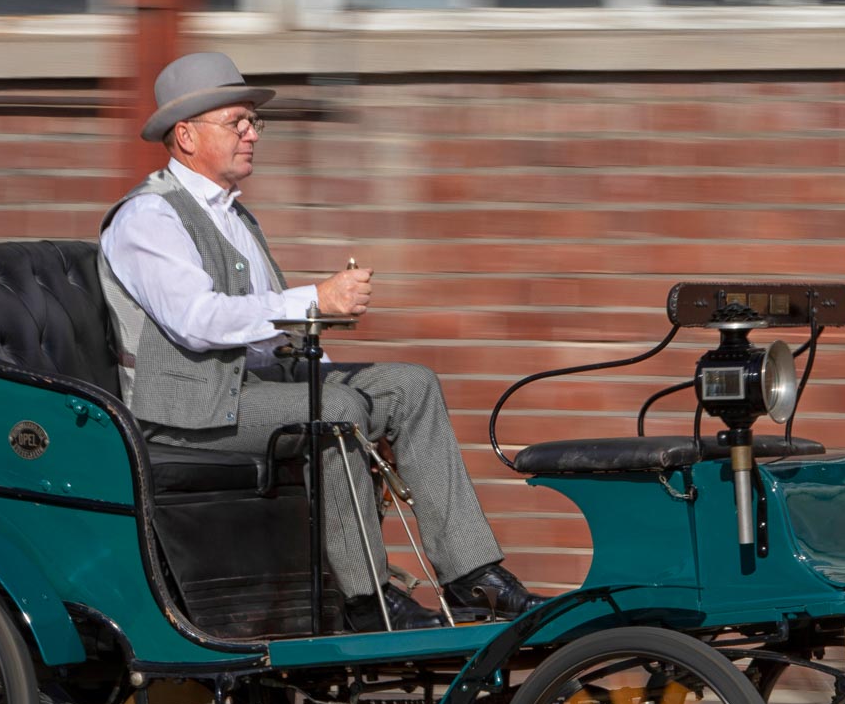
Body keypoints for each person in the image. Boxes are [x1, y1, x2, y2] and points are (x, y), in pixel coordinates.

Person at [99, 52, 542, 632]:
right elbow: (197, 320)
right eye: (237, 122)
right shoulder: (148, 217)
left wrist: (321, 358)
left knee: (410, 385)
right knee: (332, 408)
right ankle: (365, 601)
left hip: (249, 390)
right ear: (186, 134)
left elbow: (277, 337)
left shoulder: (236, 218)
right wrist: (316, 301)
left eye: (253, 122)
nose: (252, 133)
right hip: (184, 407)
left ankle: (471, 577)